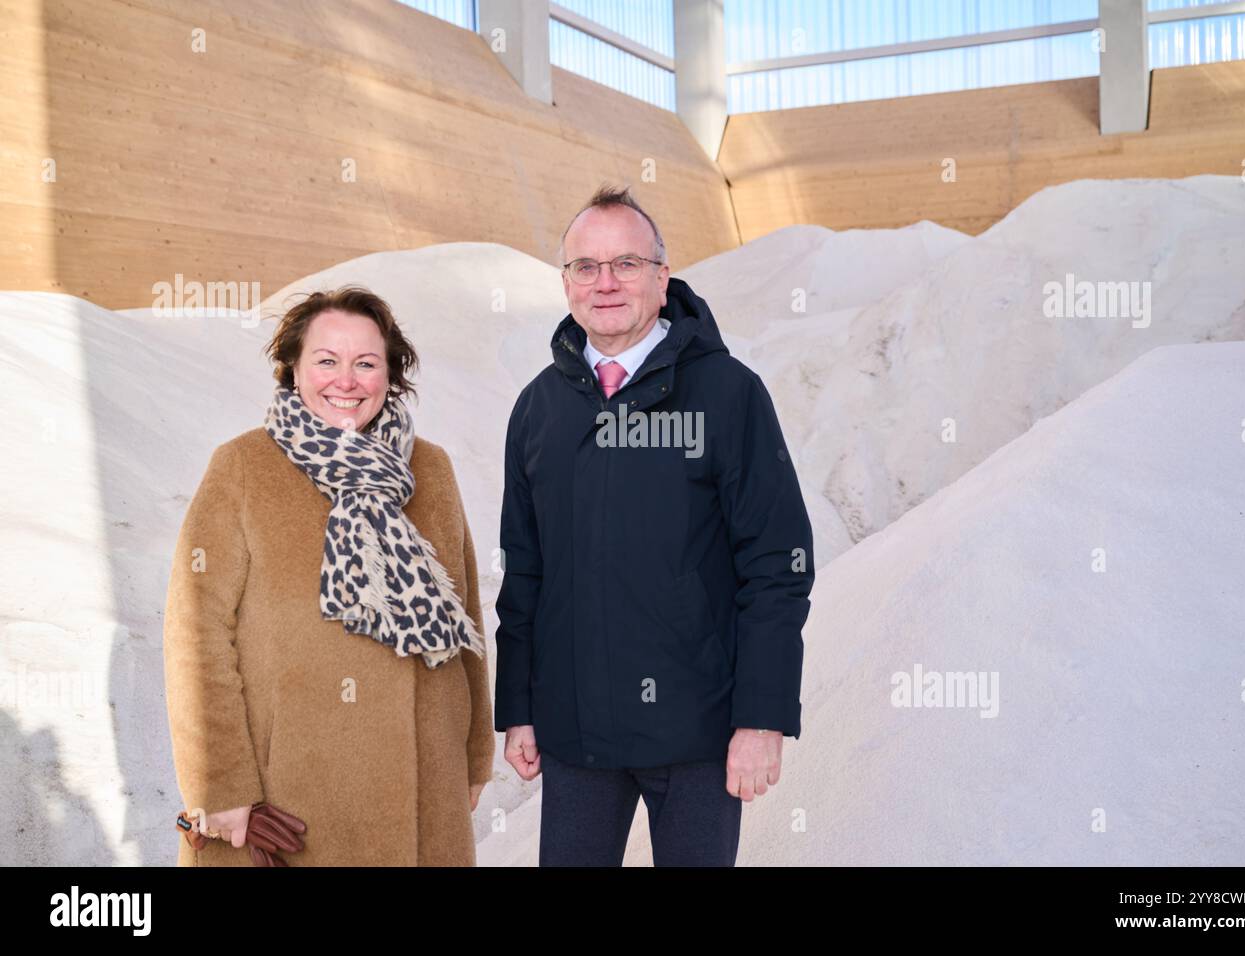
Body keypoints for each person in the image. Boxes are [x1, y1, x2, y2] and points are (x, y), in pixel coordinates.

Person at [494, 185, 815, 866]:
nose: (605, 282)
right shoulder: (538, 408)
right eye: (586, 266)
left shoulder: (728, 394)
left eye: (626, 264)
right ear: (566, 283)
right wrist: (517, 705)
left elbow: (777, 563)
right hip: (577, 735)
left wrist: (762, 715)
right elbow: (524, 573)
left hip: (699, 734)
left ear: (662, 279)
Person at [163, 286, 494, 865]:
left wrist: (471, 756)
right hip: (286, 799)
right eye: (326, 360)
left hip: (426, 789)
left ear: (391, 375)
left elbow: (464, 619)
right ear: (293, 368)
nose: (346, 380)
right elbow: (196, 633)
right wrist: (220, 787)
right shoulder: (242, 467)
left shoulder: (431, 469)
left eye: (366, 363)